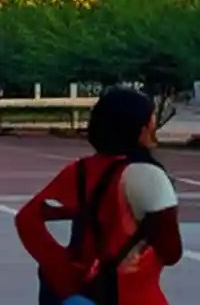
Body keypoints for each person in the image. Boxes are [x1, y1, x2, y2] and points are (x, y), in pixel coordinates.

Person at [16, 87, 182, 305]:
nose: (153, 126)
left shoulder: (80, 170)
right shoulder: (148, 176)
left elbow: (28, 219)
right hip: (133, 295)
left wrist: (61, 270)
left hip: (82, 294)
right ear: (138, 128)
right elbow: (171, 252)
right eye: (150, 120)